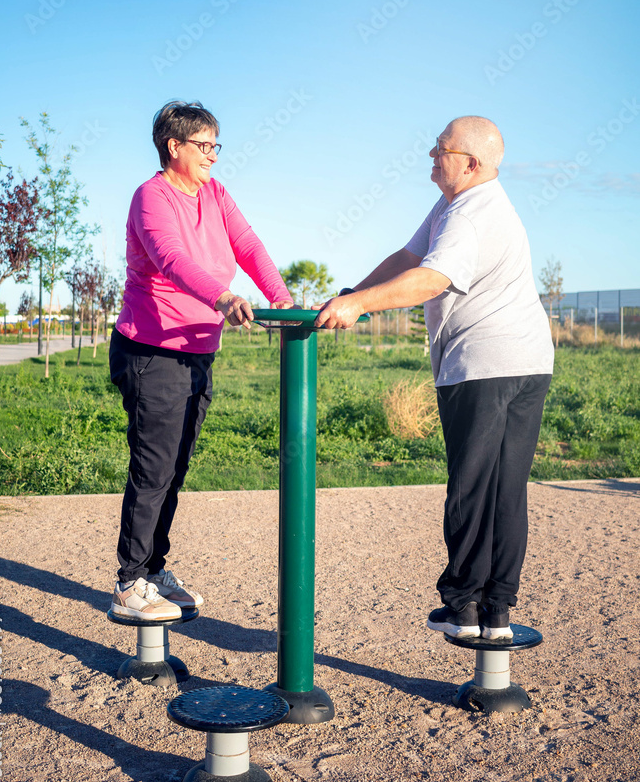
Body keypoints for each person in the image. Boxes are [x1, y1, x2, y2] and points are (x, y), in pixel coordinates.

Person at [314, 116, 554, 640]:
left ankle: (466, 605)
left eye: (440, 149)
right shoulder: (459, 204)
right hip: (529, 360)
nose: (430, 154)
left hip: (484, 364)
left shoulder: (469, 216)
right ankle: (497, 610)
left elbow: (430, 278)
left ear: (470, 163)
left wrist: (357, 306)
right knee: (506, 489)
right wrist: (352, 292)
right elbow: (408, 256)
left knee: (471, 485)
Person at [109, 101, 294, 620]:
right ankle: (129, 579)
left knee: (176, 466)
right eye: (205, 145)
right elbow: (171, 257)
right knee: (153, 468)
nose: (214, 155)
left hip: (196, 354)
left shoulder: (213, 193)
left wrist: (278, 298)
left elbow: (248, 244)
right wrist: (221, 296)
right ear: (175, 146)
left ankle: (152, 570)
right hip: (153, 351)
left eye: (216, 145)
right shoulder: (152, 196)